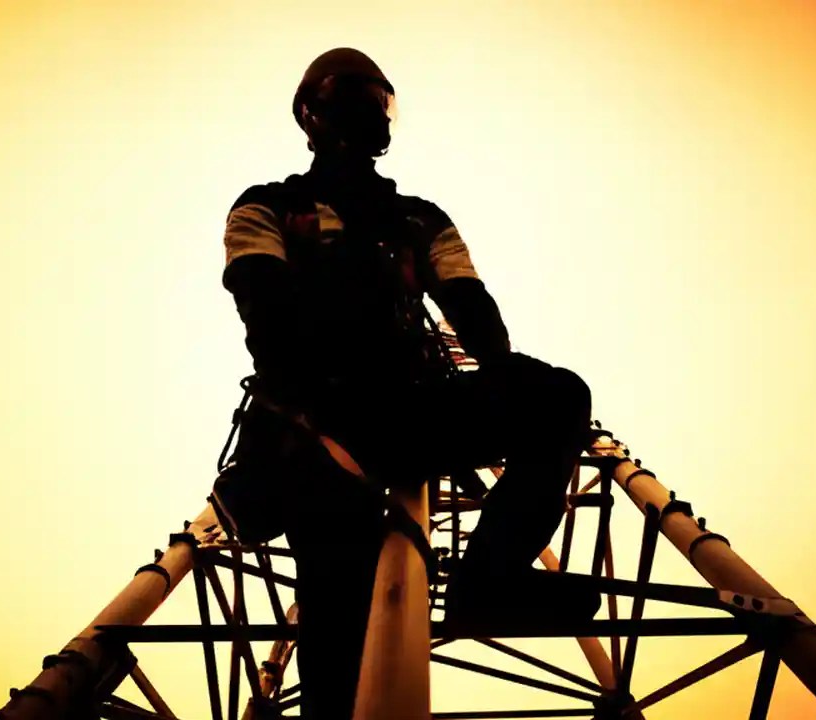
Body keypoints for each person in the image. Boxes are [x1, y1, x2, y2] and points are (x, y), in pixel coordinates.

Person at [218, 47, 599, 720]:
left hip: (409, 412)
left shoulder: (418, 218)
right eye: (355, 99)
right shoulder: (267, 207)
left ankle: (491, 583)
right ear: (312, 114)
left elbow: (472, 309)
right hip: (318, 435)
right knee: (338, 655)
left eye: (379, 101)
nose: (370, 116)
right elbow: (266, 316)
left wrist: (500, 376)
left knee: (556, 395)